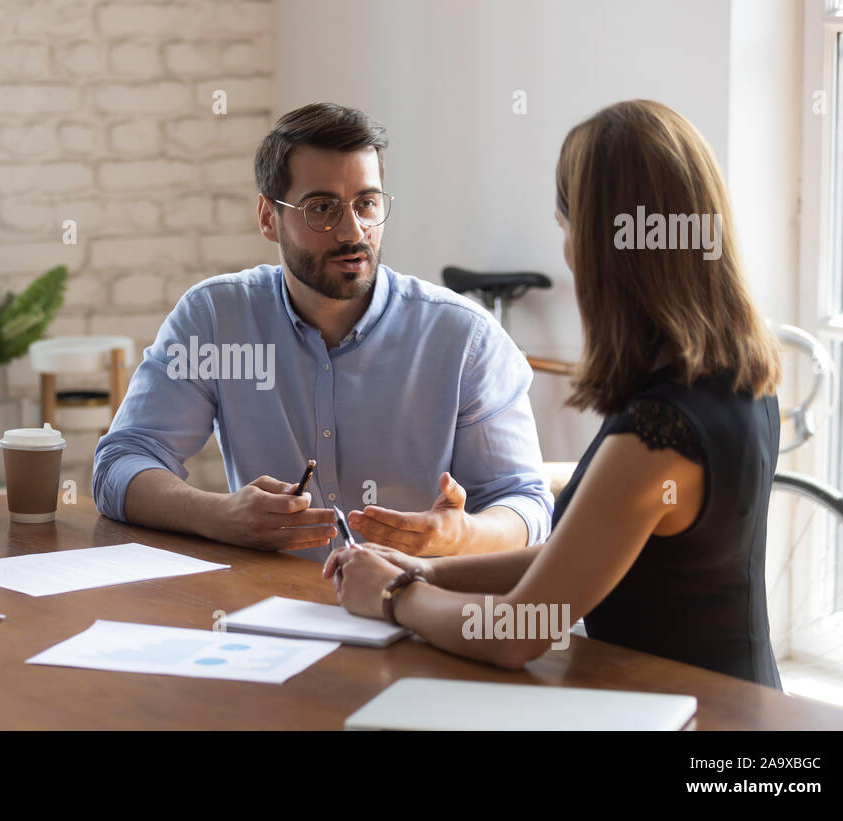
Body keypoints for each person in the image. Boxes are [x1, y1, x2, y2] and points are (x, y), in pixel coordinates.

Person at [327, 99, 784, 687]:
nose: (566, 249)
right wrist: (426, 572)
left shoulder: (657, 433)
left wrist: (394, 595)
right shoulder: (733, 376)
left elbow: (518, 632)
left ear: (604, 246)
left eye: (568, 227)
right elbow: (583, 558)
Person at [92, 103, 552, 559]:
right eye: (322, 208)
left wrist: (459, 536)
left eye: (367, 204)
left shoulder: (463, 338)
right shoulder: (217, 319)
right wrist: (222, 516)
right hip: (270, 611)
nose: (352, 231)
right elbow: (120, 464)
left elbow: (526, 504)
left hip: (413, 607)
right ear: (269, 217)